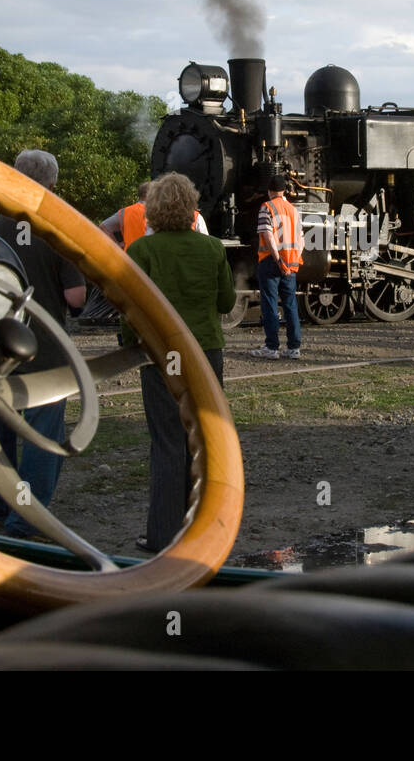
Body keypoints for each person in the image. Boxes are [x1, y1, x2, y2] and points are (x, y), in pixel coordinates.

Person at [0, 149, 86, 539]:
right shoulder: (57, 234)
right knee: (41, 439)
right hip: (46, 352)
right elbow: (75, 298)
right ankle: (26, 519)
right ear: (52, 186)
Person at [121, 172, 235, 554]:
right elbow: (226, 303)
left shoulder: (141, 251)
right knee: (206, 440)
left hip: (163, 357)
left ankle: (163, 535)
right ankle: (203, 528)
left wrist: (129, 343)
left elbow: (129, 310)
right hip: (206, 354)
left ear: (152, 209)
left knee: (168, 442)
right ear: (191, 207)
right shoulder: (213, 248)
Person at [250, 175, 304, 360]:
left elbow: (267, 235)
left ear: (269, 191)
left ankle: (271, 347)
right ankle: (294, 348)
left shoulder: (267, 207)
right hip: (291, 264)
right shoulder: (294, 210)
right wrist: (292, 260)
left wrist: (279, 260)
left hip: (271, 263)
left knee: (270, 305)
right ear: (284, 191)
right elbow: (302, 240)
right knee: (290, 305)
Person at [100, 182, 150, 249]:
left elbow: (103, 226)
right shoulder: (156, 211)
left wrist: (117, 245)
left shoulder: (124, 212)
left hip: (128, 253)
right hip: (149, 253)